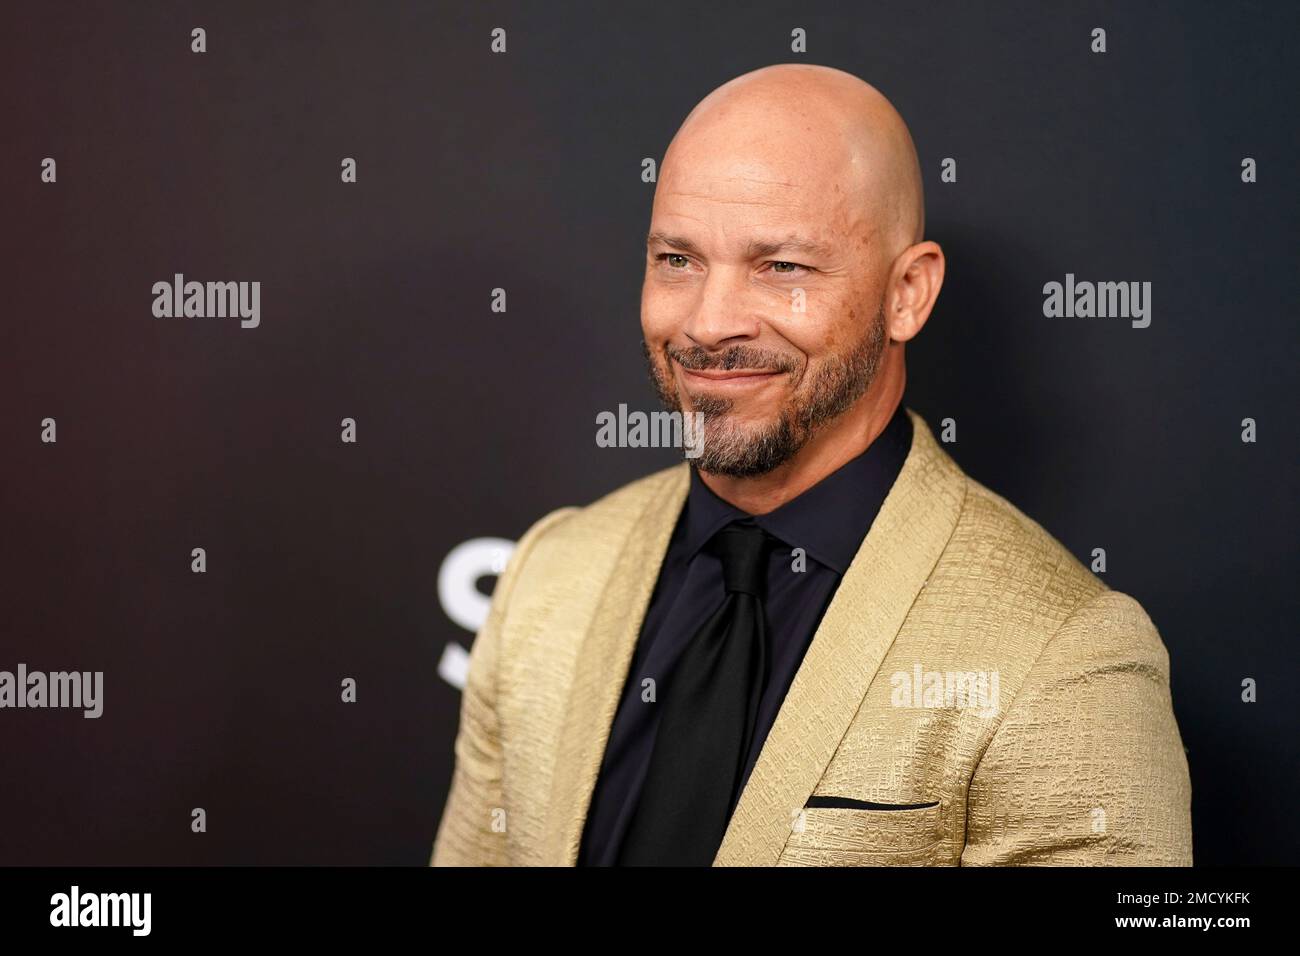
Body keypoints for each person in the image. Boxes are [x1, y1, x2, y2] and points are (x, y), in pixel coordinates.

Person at [431, 63, 1192, 866]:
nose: (710, 323)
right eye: (678, 260)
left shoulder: (1067, 659)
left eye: (782, 266)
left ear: (908, 293)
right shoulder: (549, 581)